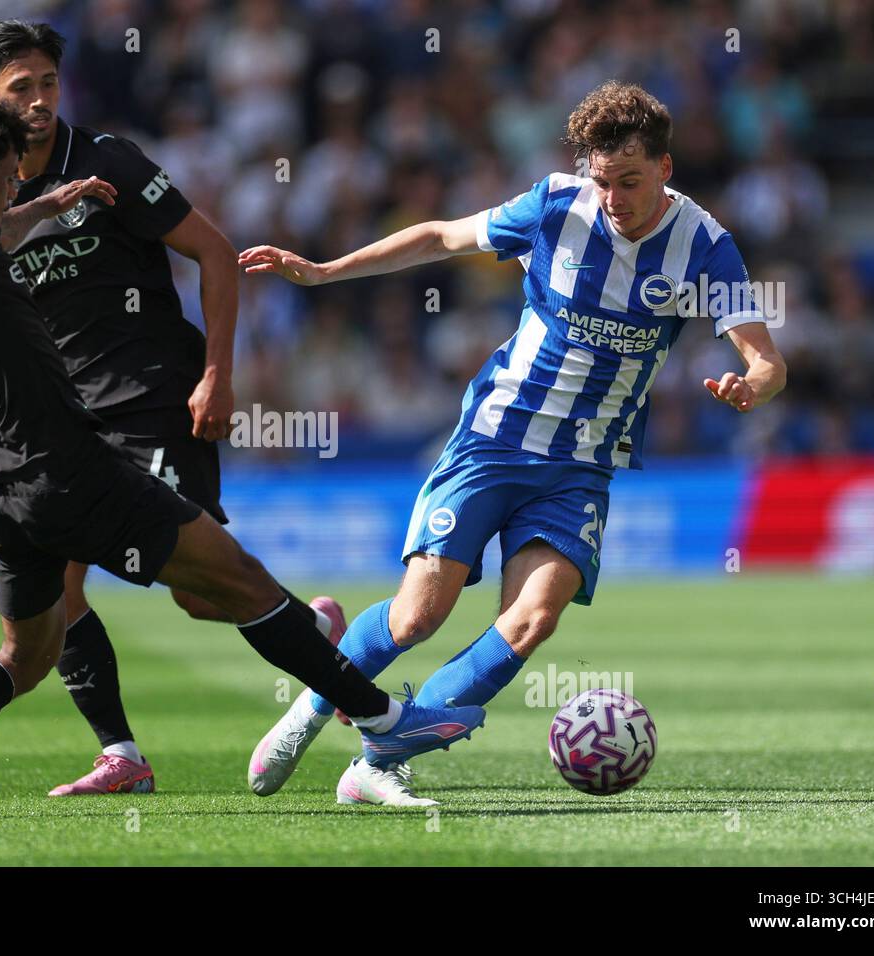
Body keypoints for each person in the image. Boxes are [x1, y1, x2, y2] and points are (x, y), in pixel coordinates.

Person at [0, 81, 485, 820]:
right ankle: (387, 721)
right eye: (5, 171)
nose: (13, 180)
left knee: (26, 657)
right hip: (69, 470)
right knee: (240, 581)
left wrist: (44, 206)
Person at [239, 81, 787, 806]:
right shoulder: (557, 205)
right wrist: (326, 271)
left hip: (583, 464)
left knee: (531, 619)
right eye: (604, 181)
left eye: (629, 181)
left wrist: (751, 385)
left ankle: (381, 761)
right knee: (417, 616)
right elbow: (440, 235)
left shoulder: (705, 246)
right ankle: (312, 704)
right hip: (494, 439)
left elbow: (767, 359)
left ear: (665, 168)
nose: (614, 198)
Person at [0, 20, 346, 796]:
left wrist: (218, 374)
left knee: (195, 590)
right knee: (62, 591)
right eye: (21, 88)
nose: (39, 100)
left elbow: (214, 252)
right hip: (66, 415)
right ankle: (122, 755)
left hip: (151, 395)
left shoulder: (108, 161)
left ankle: (318, 641)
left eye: (47, 83)